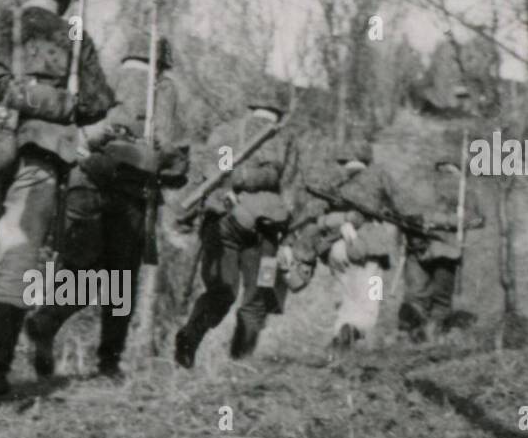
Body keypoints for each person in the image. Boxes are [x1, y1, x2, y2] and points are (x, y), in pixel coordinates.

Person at [0, 0, 115, 395]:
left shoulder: (0, 23)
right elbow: (97, 103)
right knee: (18, 257)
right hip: (40, 149)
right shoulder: (75, 37)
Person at [23, 34, 189, 380]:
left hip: (82, 184)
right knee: (121, 279)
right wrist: (175, 169)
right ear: (161, 64)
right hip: (130, 192)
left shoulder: (103, 80)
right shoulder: (161, 89)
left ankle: (46, 321)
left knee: (83, 269)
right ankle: (109, 363)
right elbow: (169, 148)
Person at [173, 79, 297, 367]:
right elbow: (291, 193)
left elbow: (210, 177)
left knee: (221, 291)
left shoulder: (226, 131)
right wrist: (289, 242)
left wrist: (186, 220)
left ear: (252, 105)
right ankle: (239, 365)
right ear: (279, 111)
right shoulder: (285, 140)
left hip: (222, 222)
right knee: (258, 297)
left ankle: (189, 339)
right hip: (265, 232)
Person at [287, 136, 409, 350]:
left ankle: (341, 336)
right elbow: (403, 206)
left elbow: (312, 214)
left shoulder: (331, 180)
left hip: (337, 249)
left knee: (349, 297)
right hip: (370, 251)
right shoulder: (378, 174)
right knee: (372, 300)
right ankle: (353, 331)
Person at [398, 154, 484, 341]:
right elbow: (476, 219)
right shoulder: (464, 188)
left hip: (417, 248)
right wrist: (450, 220)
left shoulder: (419, 184)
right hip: (446, 249)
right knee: (441, 299)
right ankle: (432, 336)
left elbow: (403, 213)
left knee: (416, 295)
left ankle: (413, 336)